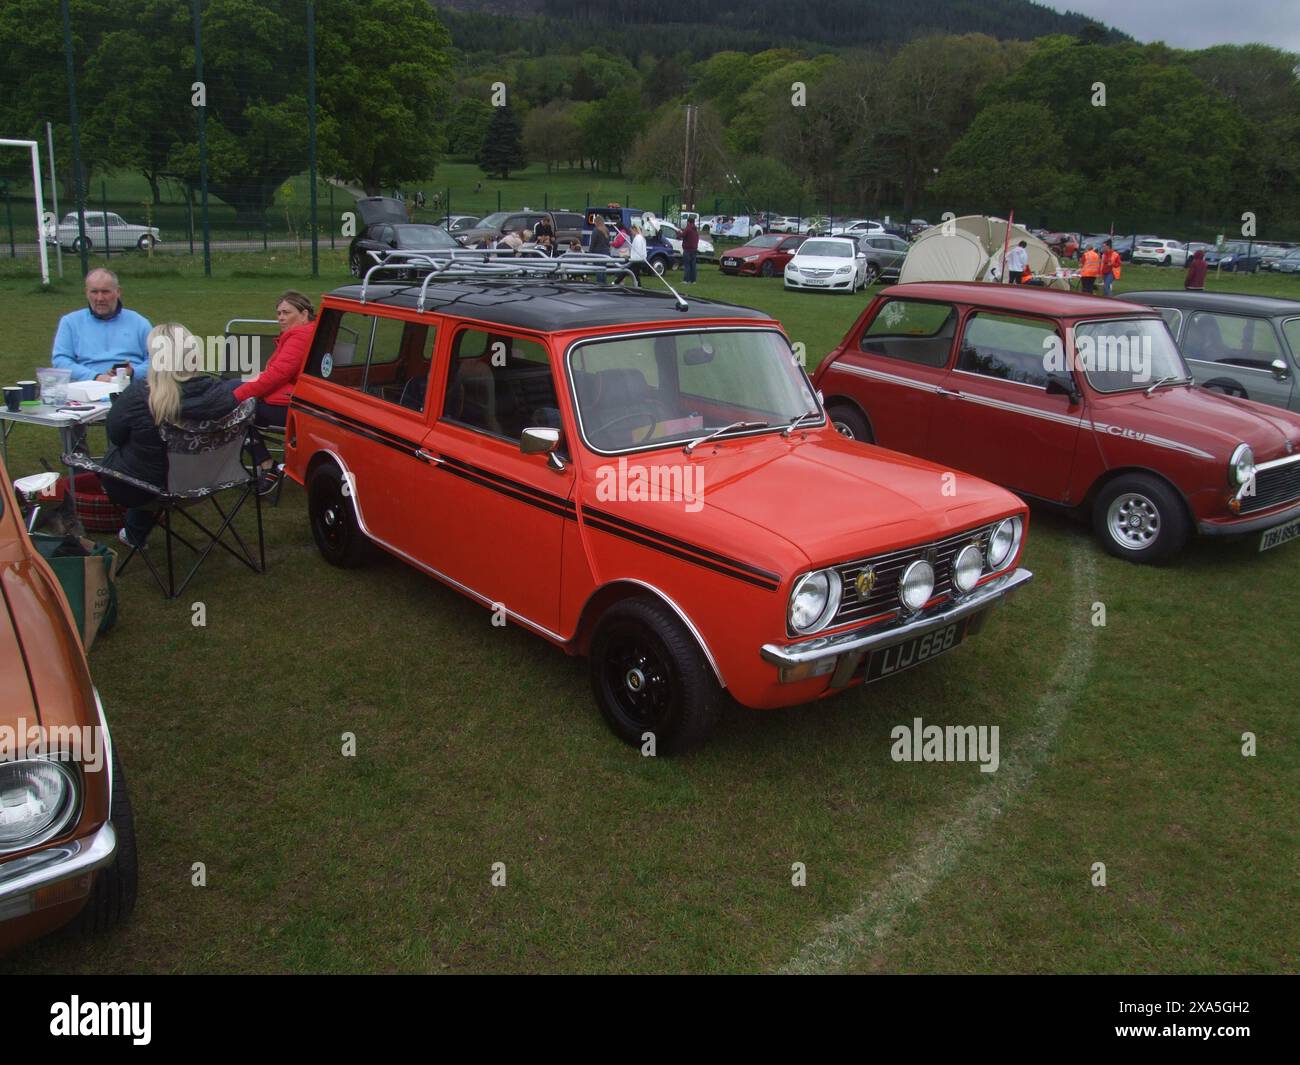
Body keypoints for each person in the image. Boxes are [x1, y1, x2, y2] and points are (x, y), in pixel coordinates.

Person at [100, 323, 237, 549]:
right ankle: (135, 532)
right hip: (208, 481)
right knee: (151, 457)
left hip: (148, 489)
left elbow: (115, 434)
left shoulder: (139, 397)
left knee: (127, 453)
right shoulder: (219, 393)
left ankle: (135, 534)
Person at [231, 291, 315, 494]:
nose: (280, 317)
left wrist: (238, 395)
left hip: (294, 408)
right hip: (293, 399)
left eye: (286, 312)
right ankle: (266, 465)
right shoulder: (306, 332)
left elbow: (277, 375)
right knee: (231, 388)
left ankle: (268, 466)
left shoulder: (300, 337)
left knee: (233, 410)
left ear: (304, 314)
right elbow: (276, 373)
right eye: (278, 313)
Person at [51, 268, 152, 382]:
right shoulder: (70, 322)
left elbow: (157, 361)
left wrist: (133, 372)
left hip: (131, 388)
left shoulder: (139, 322)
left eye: (105, 292)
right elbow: (60, 361)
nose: (100, 298)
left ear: (118, 292)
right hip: (88, 387)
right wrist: (95, 377)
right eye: (94, 292)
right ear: (86, 293)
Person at [682, 217, 700, 283]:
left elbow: (682, 235)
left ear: (688, 222)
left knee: (687, 265)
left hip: (687, 249)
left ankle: (686, 280)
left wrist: (678, 232)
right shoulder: (695, 230)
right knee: (693, 265)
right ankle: (693, 280)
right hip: (694, 249)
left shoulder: (688, 228)